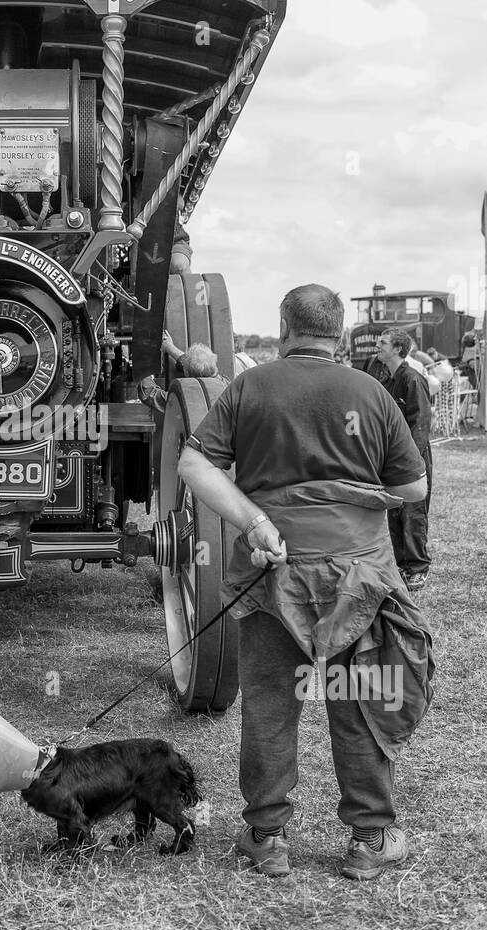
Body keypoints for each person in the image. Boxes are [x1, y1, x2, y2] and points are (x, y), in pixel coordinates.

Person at [177, 284, 433, 881]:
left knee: (269, 704)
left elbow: (193, 465)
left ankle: (267, 837)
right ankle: (369, 839)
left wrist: (258, 519)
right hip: (359, 577)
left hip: (272, 572)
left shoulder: (249, 385)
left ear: (285, 327)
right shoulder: (370, 390)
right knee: (359, 701)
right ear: (338, 334)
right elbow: (414, 488)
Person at [372, 329, 432, 590]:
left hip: (412, 457)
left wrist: (413, 462)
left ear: (397, 348)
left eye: (383, 343)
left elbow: (421, 423)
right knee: (394, 511)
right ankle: (401, 565)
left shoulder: (412, 379)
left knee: (413, 512)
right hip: (394, 457)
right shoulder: (387, 378)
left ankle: (418, 567)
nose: (377, 345)